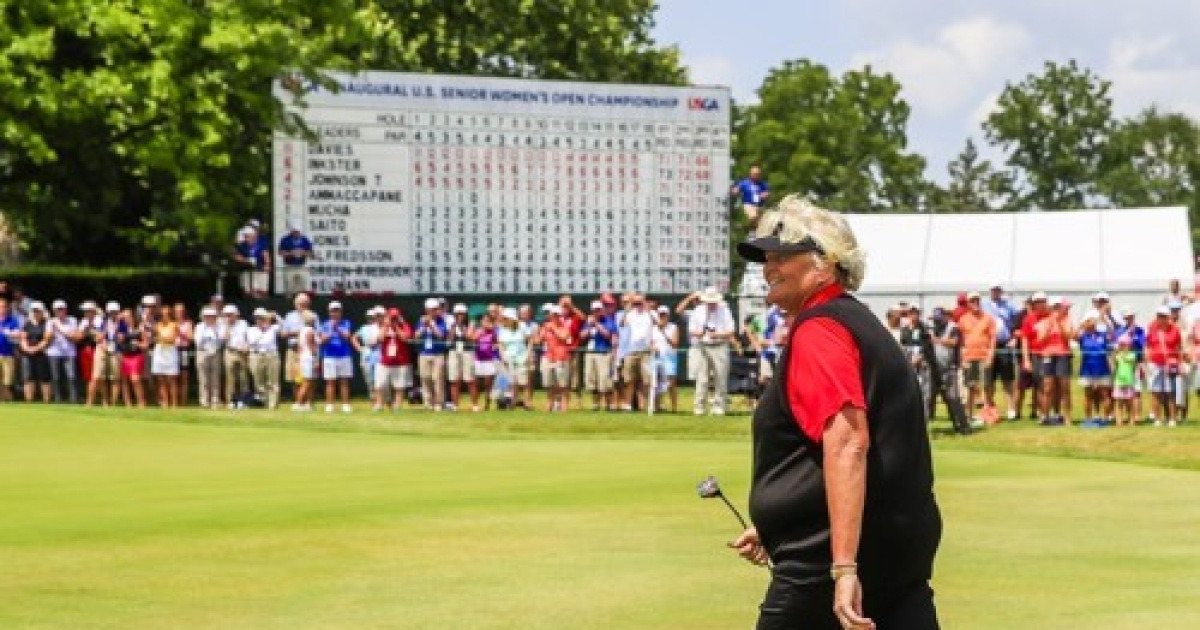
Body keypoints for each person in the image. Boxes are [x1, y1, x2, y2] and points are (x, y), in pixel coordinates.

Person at [734, 195, 941, 629]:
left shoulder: (820, 329)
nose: (767, 267)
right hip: (895, 549)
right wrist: (780, 523)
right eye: (765, 257)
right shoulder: (857, 321)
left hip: (829, 560)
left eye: (779, 256)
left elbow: (848, 443)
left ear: (823, 262)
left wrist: (844, 568)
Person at [687, 286, 735, 416]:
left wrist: (718, 335)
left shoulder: (725, 310)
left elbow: (731, 331)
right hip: (703, 345)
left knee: (721, 376)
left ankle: (719, 406)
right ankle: (699, 406)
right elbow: (692, 330)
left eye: (713, 302)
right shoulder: (698, 310)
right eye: (709, 302)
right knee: (702, 378)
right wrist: (701, 333)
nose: (711, 304)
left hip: (720, 346)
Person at [957, 292, 997, 425]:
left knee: (986, 386)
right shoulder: (963, 319)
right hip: (968, 357)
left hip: (984, 356)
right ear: (968, 304)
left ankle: (986, 415)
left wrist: (990, 355)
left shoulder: (988, 318)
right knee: (970, 387)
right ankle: (969, 415)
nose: (975, 303)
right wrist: (962, 359)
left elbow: (992, 339)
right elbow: (960, 341)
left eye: (977, 300)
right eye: (972, 301)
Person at [982, 283, 1019, 420]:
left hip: (1004, 344)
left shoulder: (1009, 306)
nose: (995, 292)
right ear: (990, 291)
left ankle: (1010, 408)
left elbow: (1016, 323)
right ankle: (989, 407)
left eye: (998, 290)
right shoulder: (983, 306)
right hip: (988, 345)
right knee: (988, 379)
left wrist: (1014, 338)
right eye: (993, 290)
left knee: (1007, 378)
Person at [1036, 297, 1075, 425]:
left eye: (1060, 307)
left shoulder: (1066, 321)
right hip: (1048, 355)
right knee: (1047, 387)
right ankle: (1045, 416)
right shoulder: (1044, 322)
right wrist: (1050, 324)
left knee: (1065, 387)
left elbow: (1068, 338)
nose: (1060, 310)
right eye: (1056, 308)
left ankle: (1067, 417)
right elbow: (1040, 340)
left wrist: (1059, 324)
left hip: (1063, 354)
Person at [1146, 305, 1182, 426]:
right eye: (1159, 316)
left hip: (1170, 364)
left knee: (1170, 392)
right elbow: (1147, 345)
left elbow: (1178, 347)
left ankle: (1172, 419)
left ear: (1168, 317)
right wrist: (1147, 362)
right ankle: (1157, 419)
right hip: (1155, 363)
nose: (1161, 319)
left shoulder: (1174, 329)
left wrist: (1179, 363)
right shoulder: (1151, 328)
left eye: (1164, 316)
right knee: (1156, 391)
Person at [580, 300, 619, 411]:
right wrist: (588, 327)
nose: (597, 312)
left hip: (603, 352)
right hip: (591, 352)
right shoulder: (588, 321)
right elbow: (582, 336)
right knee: (592, 379)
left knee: (605, 379)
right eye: (594, 310)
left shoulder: (608, 321)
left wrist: (596, 324)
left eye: (598, 310)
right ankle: (595, 404)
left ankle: (608, 404)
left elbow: (608, 335)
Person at [619, 294, 655, 412]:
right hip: (632, 351)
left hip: (646, 351)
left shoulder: (650, 314)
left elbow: (657, 322)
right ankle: (628, 405)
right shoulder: (630, 314)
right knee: (629, 379)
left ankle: (644, 405)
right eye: (636, 303)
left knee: (646, 380)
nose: (637, 306)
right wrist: (629, 305)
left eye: (639, 303)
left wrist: (645, 305)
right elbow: (622, 324)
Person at [280, 293, 318, 400]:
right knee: (295, 378)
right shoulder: (289, 316)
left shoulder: (313, 316)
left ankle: (309, 403)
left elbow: (317, 332)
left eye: (305, 304)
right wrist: (299, 333)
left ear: (309, 304)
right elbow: (283, 334)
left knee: (310, 377)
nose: (302, 306)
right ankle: (298, 402)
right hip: (293, 350)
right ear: (295, 304)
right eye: (300, 304)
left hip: (308, 351)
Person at [374, 308, 413, 412]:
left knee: (399, 386)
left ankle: (397, 405)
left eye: (395, 317)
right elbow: (380, 339)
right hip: (385, 361)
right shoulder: (383, 326)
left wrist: (396, 327)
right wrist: (387, 326)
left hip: (400, 361)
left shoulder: (404, 325)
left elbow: (405, 338)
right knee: (380, 384)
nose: (393, 319)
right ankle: (379, 404)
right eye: (392, 317)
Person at [1018, 292, 1050, 420]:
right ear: (1034, 304)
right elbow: (1025, 340)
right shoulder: (1029, 319)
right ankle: (1043, 414)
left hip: (1051, 355)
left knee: (1050, 385)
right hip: (1036, 355)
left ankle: (1052, 413)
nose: (1040, 304)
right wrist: (1026, 360)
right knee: (1040, 385)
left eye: (1043, 301)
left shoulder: (1051, 316)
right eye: (1037, 302)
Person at [1077, 316, 1113, 426]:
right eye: (1090, 323)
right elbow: (1072, 336)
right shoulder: (1083, 336)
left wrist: (1105, 320)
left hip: (1102, 368)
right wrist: (1081, 326)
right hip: (1087, 369)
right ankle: (1088, 418)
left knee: (1105, 394)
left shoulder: (1102, 335)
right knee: (1088, 395)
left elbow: (1111, 333)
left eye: (1093, 323)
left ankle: (1106, 418)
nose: (1092, 325)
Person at [318, 301, 354, 413]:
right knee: (330, 381)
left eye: (337, 310)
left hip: (344, 355)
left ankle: (345, 405)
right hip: (329, 356)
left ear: (341, 312)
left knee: (344, 381)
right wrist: (330, 334)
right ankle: (329, 405)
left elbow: (347, 337)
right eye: (333, 311)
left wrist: (337, 328)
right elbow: (321, 340)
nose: (335, 313)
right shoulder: (324, 324)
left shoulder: (346, 323)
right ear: (329, 312)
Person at [537, 305, 573, 412]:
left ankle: (564, 405)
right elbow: (539, 340)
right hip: (548, 357)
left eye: (557, 315)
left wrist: (553, 328)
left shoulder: (564, 326)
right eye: (553, 315)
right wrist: (542, 332)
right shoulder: (546, 326)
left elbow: (564, 336)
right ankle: (549, 404)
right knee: (549, 383)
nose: (555, 317)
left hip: (561, 357)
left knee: (563, 384)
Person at [1114, 307, 1146, 424]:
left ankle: (1136, 417)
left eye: (1131, 317)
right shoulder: (1119, 331)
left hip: (1137, 363)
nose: (1129, 319)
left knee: (1136, 392)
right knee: (1122, 395)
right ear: (1124, 318)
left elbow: (1141, 344)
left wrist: (1132, 335)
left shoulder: (1140, 330)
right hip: (1122, 367)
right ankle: (1124, 417)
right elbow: (1117, 347)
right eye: (1127, 318)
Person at [416, 298, 449, 411]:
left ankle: (439, 403)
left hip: (438, 354)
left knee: (437, 378)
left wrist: (431, 325)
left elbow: (440, 335)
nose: (434, 311)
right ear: (427, 310)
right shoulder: (421, 320)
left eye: (435, 309)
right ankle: (428, 403)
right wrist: (424, 326)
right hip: (424, 353)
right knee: (425, 378)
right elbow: (416, 335)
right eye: (431, 309)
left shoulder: (441, 320)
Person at [46, 299, 80, 404]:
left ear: (66, 310)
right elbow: (47, 338)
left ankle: (73, 400)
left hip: (69, 353)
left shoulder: (72, 320)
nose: (59, 311)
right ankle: (58, 400)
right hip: (54, 352)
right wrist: (51, 333)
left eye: (61, 309)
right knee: (56, 378)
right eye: (57, 310)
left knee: (71, 377)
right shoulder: (50, 322)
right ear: (54, 311)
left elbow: (74, 337)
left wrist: (59, 329)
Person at [246, 308, 282, 409]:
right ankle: (263, 402)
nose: (260, 320)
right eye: (258, 318)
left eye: (262, 318)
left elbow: (284, 326)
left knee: (273, 381)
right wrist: (263, 330)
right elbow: (252, 342)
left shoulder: (273, 328)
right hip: (257, 355)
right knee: (258, 381)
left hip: (271, 355)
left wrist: (276, 316)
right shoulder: (251, 330)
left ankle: (273, 404)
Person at [497, 307, 532, 410]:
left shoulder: (522, 326)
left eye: (506, 318)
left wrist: (528, 354)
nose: (505, 320)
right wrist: (503, 356)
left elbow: (530, 340)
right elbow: (500, 344)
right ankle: (513, 403)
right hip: (508, 358)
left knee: (524, 382)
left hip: (522, 357)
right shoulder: (502, 328)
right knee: (512, 382)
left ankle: (527, 403)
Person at [19, 301, 53, 403]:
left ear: (42, 311)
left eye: (38, 311)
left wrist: (35, 349)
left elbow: (47, 339)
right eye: (34, 311)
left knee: (44, 378)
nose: (36, 312)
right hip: (27, 353)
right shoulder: (27, 323)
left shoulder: (47, 323)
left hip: (42, 353)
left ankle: (46, 401)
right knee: (28, 377)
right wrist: (27, 348)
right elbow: (23, 338)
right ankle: (29, 401)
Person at [192, 306, 223, 408]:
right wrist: (206, 331)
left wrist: (214, 331)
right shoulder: (199, 327)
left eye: (212, 316)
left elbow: (221, 340)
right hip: (202, 352)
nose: (210, 318)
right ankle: (204, 401)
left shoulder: (219, 326)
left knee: (215, 378)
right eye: (207, 316)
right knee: (203, 379)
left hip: (215, 352)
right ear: (204, 317)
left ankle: (215, 400)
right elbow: (198, 342)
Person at [150, 304, 181, 408]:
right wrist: (161, 338)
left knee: (172, 380)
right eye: (163, 314)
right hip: (159, 352)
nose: (165, 316)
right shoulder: (157, 325)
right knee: (161, 379)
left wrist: (162, 338)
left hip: (170, 352)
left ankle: (174, 404)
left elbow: (173, 339)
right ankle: (166, 403)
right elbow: (154, 339)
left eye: (167, 314)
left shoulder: (174, 325)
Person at [651, 305, 680, 413]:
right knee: (656, 382)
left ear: (668, 315)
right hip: (657, 357)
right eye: (660, 315)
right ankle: (657, 406)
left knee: (671, 383)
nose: (662, 317)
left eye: (664, 315)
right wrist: (653, 347)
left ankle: (674, 408)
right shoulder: (653, 328)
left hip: (669, 356)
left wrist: (663, 332)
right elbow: (651, 342)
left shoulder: (673, 327)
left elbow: (675, 343)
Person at [446, 304, 475, 411]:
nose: (459, 315)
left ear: (465, 314)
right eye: (457, 313)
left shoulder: (470, 323)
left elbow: (469, 336)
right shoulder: (451, 324)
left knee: (470, 379)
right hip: (454, 352)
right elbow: (449, 340)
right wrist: (454, 327)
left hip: (467, 352)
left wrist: (462, 327)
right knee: (454, 380)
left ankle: (474, 405)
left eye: (462, 313)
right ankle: (455, 405)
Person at [221, 304, 251, 407]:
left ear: (236, 315)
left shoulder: (243, 323)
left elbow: (248, 337)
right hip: (230, 352)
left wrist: (247, 348)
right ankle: (231, 401)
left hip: (242, 353)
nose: (228, 317)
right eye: (226, 315)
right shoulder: (223, 325)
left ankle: (244, 401)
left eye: (230, 315)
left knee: (243, 378)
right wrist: (227, 326)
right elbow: (224, 338)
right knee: (230, 378)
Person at [117, 308, 147, 407]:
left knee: (135, 379)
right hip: (125, 356)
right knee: (124, 380)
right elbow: (120, 340)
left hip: (136, 356)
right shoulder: (121, 329)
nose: (126, 319)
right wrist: (121, 322)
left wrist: (138, 343)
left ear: (133, 317)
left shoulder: (139, 329)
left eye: (128, 316)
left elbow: (145, 345)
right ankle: (128, 404)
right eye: (124, 317)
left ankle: (141, 402)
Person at [471, 312, 501, 412]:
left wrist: (495, 346)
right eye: (484, 321)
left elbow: (497, 343)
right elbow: (472, 338)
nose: (485, 323)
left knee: (488, 384)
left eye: (488, 321)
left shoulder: (493, 332)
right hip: (478, 360)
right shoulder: (478, 331)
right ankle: (475, 405)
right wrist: (480, 333)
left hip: (489, 360)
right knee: (476, 383)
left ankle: (487, 403)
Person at [353, 307, 383, 402]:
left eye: (373, 317)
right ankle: (373, 400)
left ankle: (381, 400)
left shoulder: (380, 327)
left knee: (379, 379)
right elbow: (354, 337)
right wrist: (359, 348)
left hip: (378, 352)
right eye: (369, 317)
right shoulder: (364, 328)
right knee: (369, 380)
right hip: (366, 354)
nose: (371, 319)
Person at [278, 221, 315, 296]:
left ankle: (301, 302)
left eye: (298, 232)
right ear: (291, 231)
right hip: (289, 266)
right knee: (289, 287)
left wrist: (303, 252)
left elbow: (311, 254)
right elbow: (280, 253)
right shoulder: (285, 239)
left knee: (302, 287)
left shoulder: (305, 239)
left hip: (301, 266)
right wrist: (291, 253)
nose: (296, 233)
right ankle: (288, 302)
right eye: (294, 231)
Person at [293, 310, 319, 411]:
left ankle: (309, 404)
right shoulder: (310, 331)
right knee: (307, 382)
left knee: (310, 381)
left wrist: (299, 360)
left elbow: (300, 347)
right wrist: (316, 360)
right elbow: (311, 346)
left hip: (304, 357)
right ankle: (298, 403)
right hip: (309, 358)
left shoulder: (302, 330)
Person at [234, 227, 271, 298]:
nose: (248, 238)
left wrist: (267, 265)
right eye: (246, 236)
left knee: (263, 291)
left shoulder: (260, 244)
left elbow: (265, 254)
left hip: (260, 269)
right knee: (249, 291)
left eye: (250, 236)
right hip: (247, 270)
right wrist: (246, 260)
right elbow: (237, 256)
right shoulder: (242, 245)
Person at [1111, 335, 1139, 426]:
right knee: (1119, 403)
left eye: (1125, 344)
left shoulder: (1132, 355)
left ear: (1129, 345)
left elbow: (1127, 359)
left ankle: (1132, 420)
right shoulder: (1118, 355)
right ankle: (1119, 421)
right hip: (1119, 381)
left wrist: (1119, 352)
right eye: (1121, 344)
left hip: (1129, 381)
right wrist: (1114, 354)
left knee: (1129, 402)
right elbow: (1114, 364)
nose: (1123, 346)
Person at [0, 297, 21, 402]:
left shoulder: (12, 321)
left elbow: (18, 335)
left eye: (4, 307)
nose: (2, 309)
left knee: (7, 382)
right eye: (0, 307)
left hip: (8, 354)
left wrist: (9, 333)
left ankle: (8, 401)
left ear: (7, 308)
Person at [173, 302, 193, 406]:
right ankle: (175, 402)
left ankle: (183, 402)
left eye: (181, 311)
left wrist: (180, 333)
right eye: (176, 311)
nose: (179, 313)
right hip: (172, 351)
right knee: (173, 377)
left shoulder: (188, 323)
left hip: (184, 350)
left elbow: (191, 337)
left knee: (184, 377)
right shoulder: (171, 322)